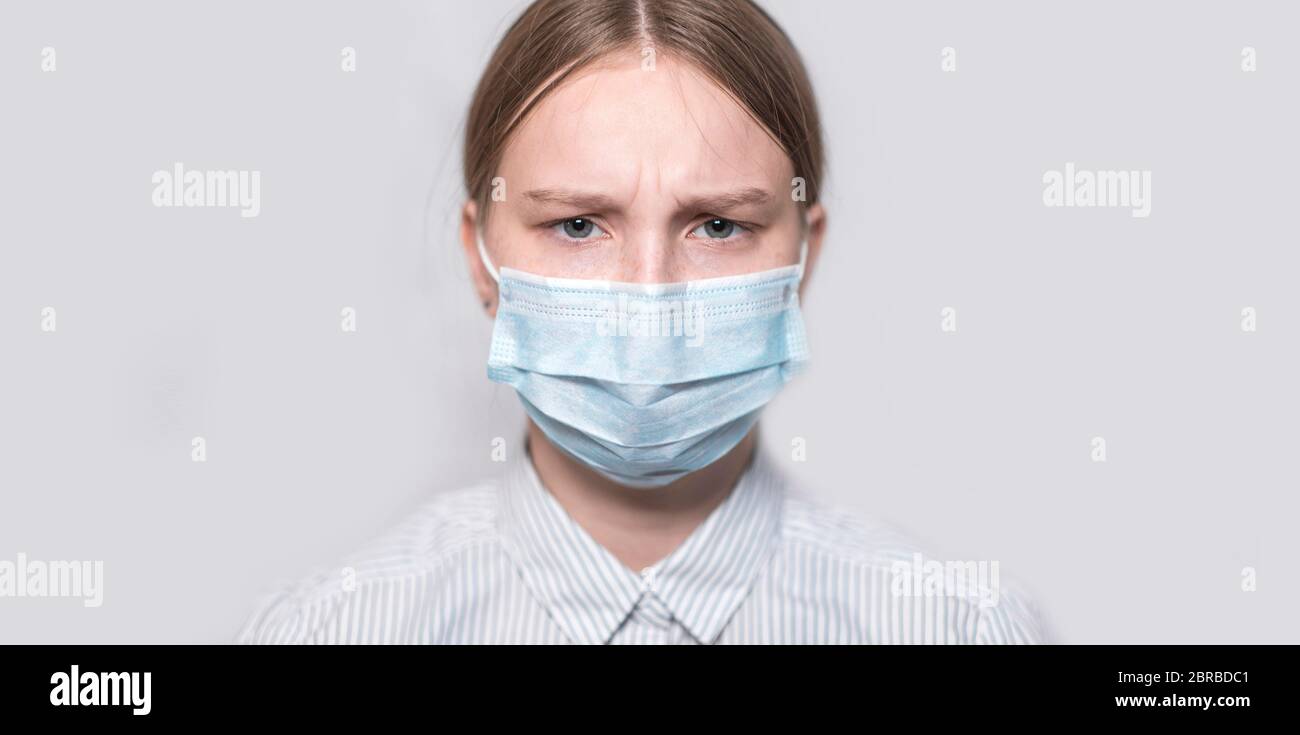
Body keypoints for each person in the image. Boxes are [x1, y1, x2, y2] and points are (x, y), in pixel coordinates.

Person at [237, 0, 1047, 644]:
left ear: (805, 256)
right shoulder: (331, 630)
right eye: (580, 225)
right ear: (482, 257)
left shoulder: (960, 628)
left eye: (718, 225)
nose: (649, 296)